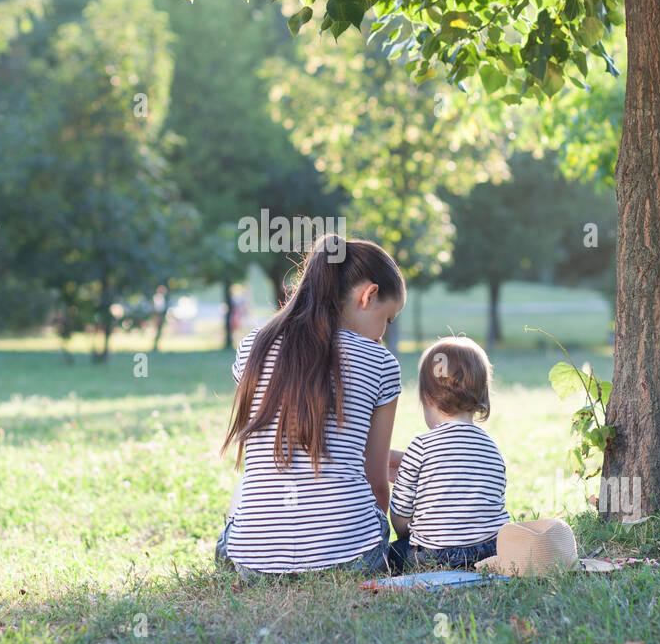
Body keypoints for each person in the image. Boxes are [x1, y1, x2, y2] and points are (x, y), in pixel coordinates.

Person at [215, 234, 405, 580]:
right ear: (369, 295)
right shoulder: (380, 362)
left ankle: (246, 540)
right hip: (349, 559)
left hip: (254, 564)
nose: (383, 335)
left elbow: (297, 441)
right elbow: (378, 483)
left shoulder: (252, 347)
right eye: (387, 319)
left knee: (246, 490)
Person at [387, 336, 510, 573]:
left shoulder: (420, 446)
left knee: (391, 552)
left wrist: (407, 532)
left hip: (434, 556)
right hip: (489, 551)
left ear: (428, 398)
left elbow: (400, 517)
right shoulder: (492, 448)